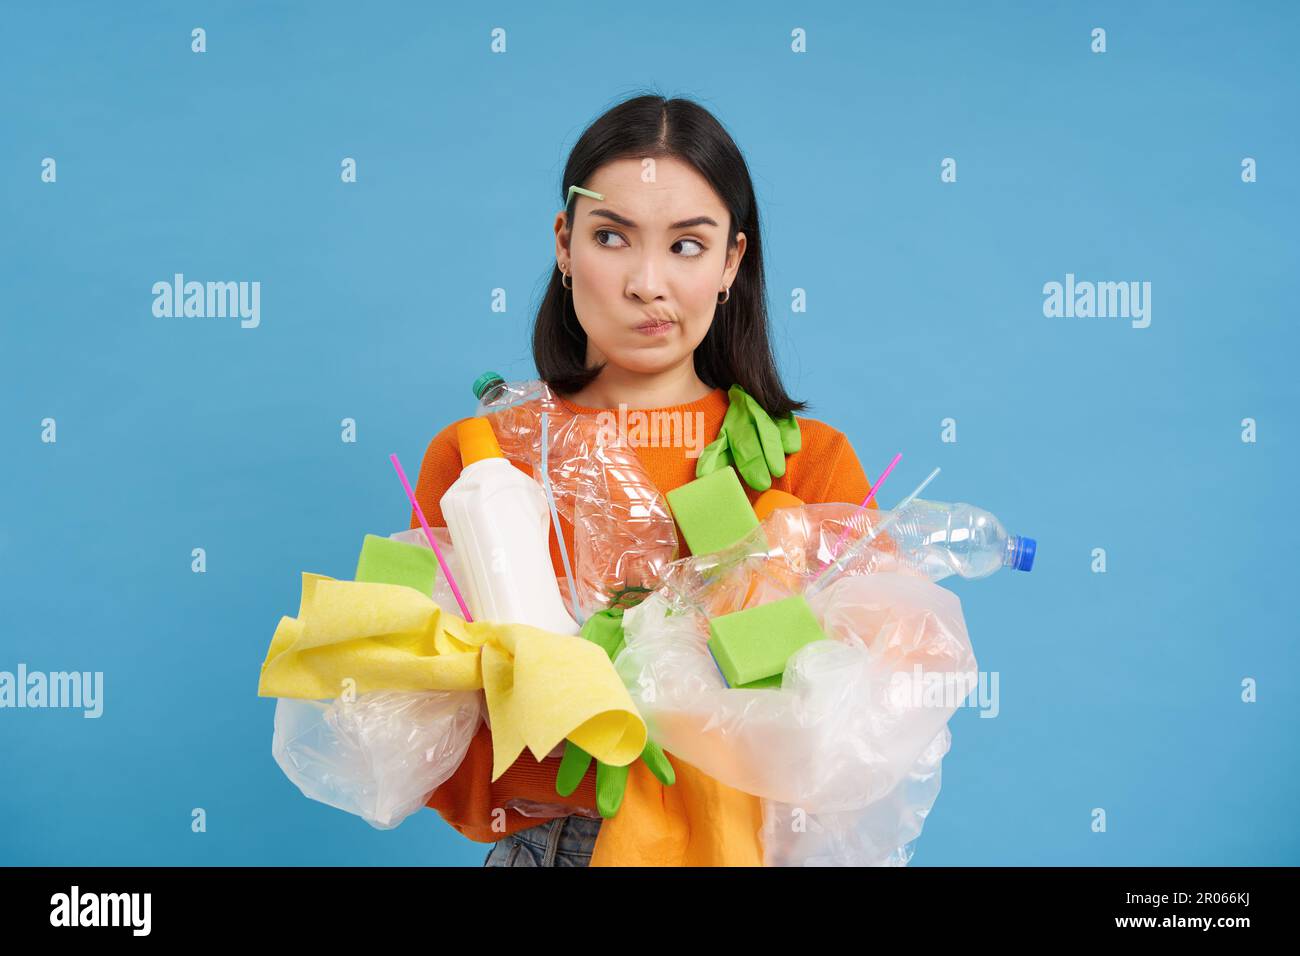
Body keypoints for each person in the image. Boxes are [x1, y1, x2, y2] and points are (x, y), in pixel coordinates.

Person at [410, 93, 877, 867]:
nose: (647, 283)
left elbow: (860, 720)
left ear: (732, 261)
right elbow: (429, 713)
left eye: (688, 246)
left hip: (746, 846)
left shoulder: (807, 463)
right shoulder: (486, 454)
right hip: (559, 842)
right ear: (564, 245)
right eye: (611, 237)